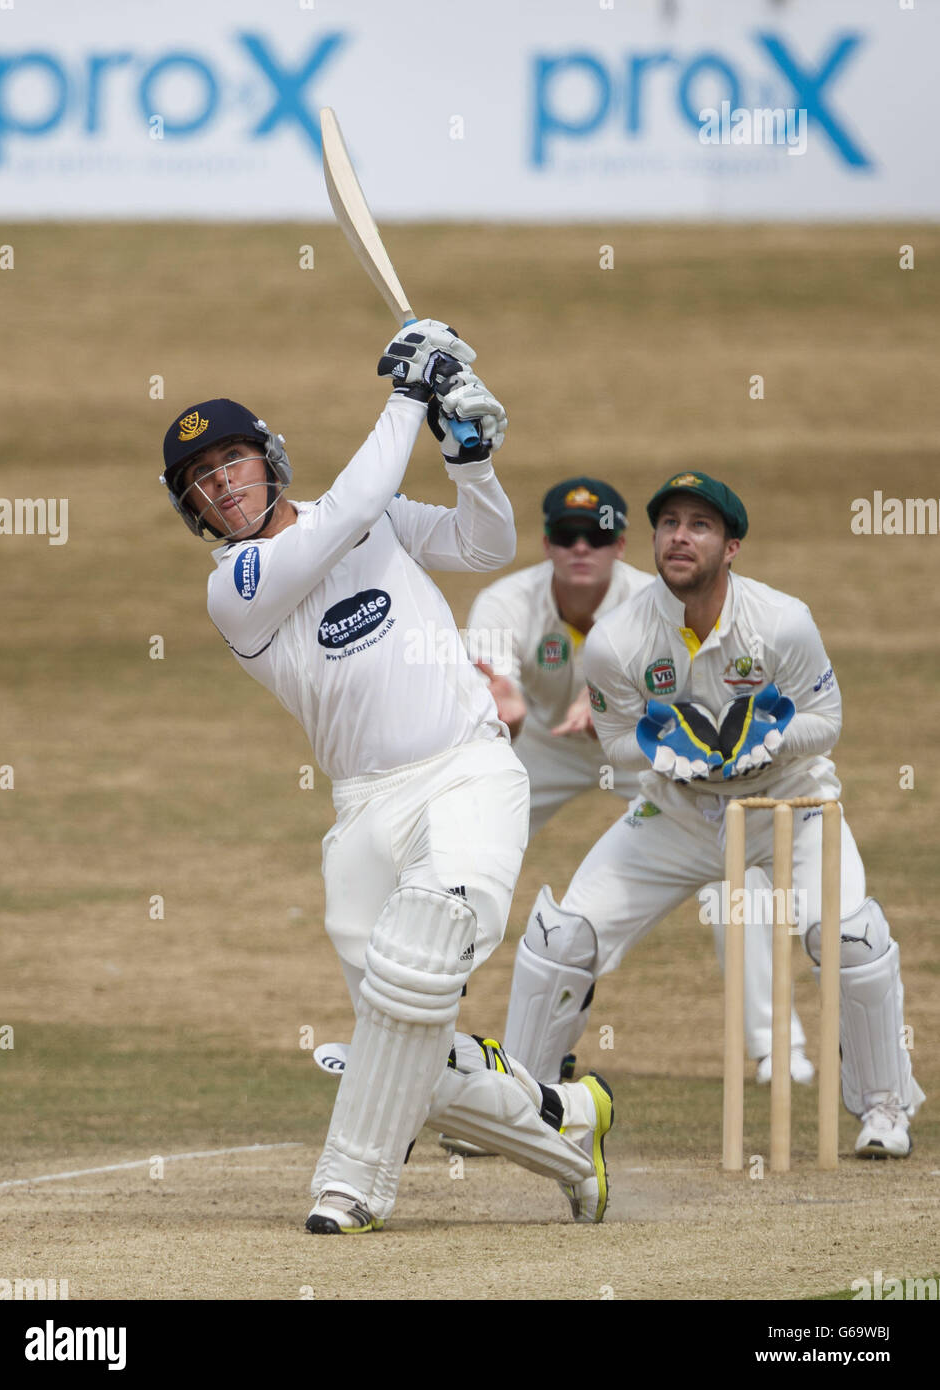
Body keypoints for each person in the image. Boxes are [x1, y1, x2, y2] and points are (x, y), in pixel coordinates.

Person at [158, 320, 614, 1232]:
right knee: (406, 1037)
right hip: (363, 808)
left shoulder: (367, 517)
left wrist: (471, 458)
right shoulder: (238, 586)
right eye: (204, 483)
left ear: (269, 461)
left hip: (466, 772)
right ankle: (568, 1125)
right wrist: (412, 392)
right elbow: (356, 502)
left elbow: (483, 547)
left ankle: (350, 1187)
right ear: (196, 514)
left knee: (417, 966)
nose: (223, 485)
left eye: (234, 462)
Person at [502, 470, 923, 1158]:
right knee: (561, 940)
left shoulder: (781, 621)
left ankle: (883, 1108)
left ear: (731, 546)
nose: (679, 537)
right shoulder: (616, 639)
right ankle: (514, 1101)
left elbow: (828, 718)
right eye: (669, 524)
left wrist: (767, 741)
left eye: (699, 525)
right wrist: (666, 753)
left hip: (791, 804)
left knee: (848, 940)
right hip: (675, 812)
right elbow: (613, 739)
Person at [468, 478, 813, 1086]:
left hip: (642, 748)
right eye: (567, 536)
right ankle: (440, 1010)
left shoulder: (648, 599)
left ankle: (775, 1048)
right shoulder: (505, 602)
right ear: (546, 544)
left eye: (597, 537)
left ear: (621, 545)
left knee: (741, 858)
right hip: (544, 746)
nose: (582, 549)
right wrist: (507, 702)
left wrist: (601, 710)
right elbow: (497, 687)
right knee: (470, 839)